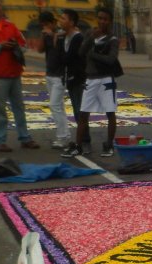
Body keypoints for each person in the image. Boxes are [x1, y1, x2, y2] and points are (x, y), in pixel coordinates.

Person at [0, 0, 39, 151]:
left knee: (19, 108)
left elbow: (23, 45)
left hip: (15, 73)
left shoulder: (10, 25)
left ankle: (25, 138)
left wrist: (15, 46)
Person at [62, 6, 120, 158]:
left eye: (105, 19)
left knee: (110, 113)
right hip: (91, 79)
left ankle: (109, 145)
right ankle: (78, 146)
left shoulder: (113, 39)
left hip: (106, 79)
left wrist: (92, 55)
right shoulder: (90, 34)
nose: (102, 21)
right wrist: (91, 39)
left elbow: (111, 60)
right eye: (100, 18)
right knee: (83, 113)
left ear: (110, 21)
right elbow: (81, 53)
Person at [39, 11, 70, 150]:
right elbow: (40, 50)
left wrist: (52, 35)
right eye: (42, 25)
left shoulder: (61, 34)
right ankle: (65, 135)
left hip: (59, 75)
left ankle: (62, 137)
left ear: (53, 23)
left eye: (47, 24)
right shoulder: (46, 34)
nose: (45, 27)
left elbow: (61, 51)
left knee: (54, 105)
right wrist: (43, 35)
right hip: (49, 74)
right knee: (59, 106)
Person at [59, 9, 84, 129]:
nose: (60, 21)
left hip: (78, 79)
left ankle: (84, 137)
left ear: (72, 22)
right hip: (70, 78)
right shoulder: (66, 37)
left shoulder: (78, 38)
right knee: (76, 109)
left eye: (63, 18)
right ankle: (82, 136)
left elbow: (68, 58)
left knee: (79, 110)